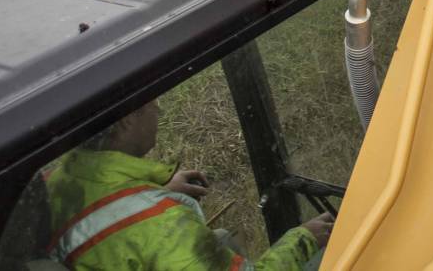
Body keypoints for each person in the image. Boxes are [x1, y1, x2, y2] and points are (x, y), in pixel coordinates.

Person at [45, 100, 333, 270]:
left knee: (220, 238)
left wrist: (154, 193)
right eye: (150, 104)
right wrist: (304, 238)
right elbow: (148, 231)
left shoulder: (61, 179)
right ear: (125, 121)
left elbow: (101, 222)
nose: (159, 111)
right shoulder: (161, 223)